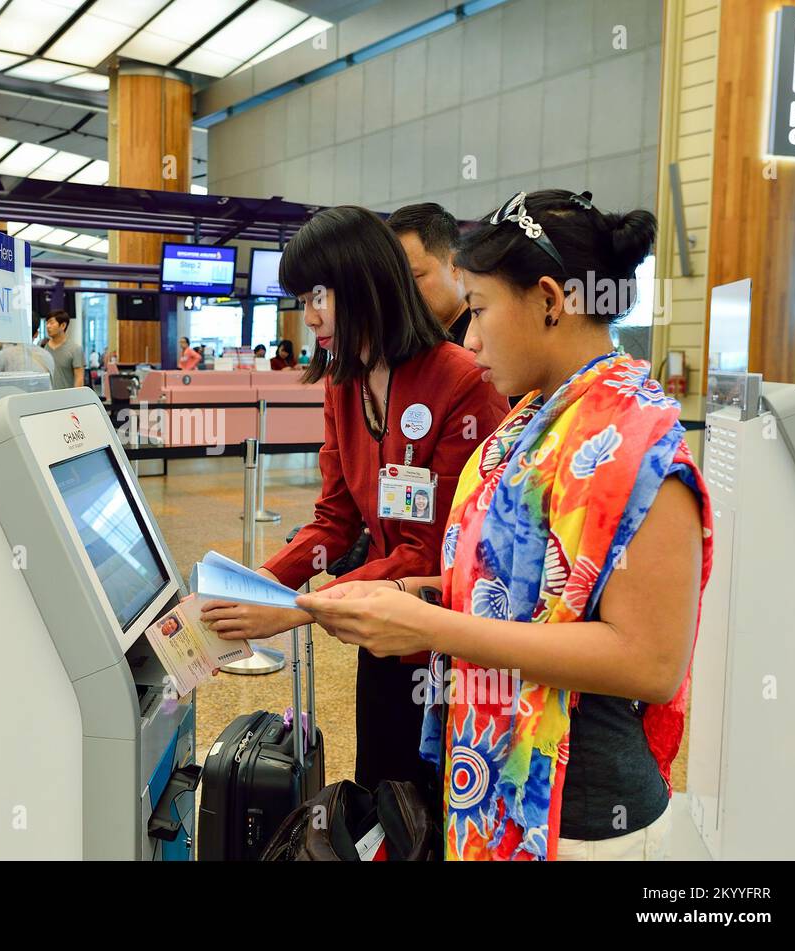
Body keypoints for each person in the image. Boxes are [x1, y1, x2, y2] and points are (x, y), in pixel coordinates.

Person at [296, 190, 712, 862]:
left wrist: (431, 627)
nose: (470, 337)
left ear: (549, 299)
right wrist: (414, 593)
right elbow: (508, 586)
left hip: (582, 821)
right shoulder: (531, 425)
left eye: (481, 309)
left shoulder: (643, 446)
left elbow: (650, 661)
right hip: (496, 792)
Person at [201, 205, 508, 790]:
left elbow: (434, 551)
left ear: (367, 284)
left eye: (321, 294)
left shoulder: (462, 382)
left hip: (448, 643)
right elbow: (334, 521)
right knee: (381, 797)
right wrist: (255, 586)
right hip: (378, 633)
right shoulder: (344, 385)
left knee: (436, 809)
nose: (309, 314)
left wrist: (297, 610)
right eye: (302, 298)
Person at [388, 202, 471, 344]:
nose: (402, 293)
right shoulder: (412, 347)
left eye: (414, 278)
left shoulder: (482, 343)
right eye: (394, 283)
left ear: (456, 264)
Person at [39, 310, 83, 389]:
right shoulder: (42, 347)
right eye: (47, 323)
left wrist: (76, 398)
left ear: (63, 325)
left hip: (67, 398)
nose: (48, 326)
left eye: (51, 323)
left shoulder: (75, 349)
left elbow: (79, 378)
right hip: (46, 397)